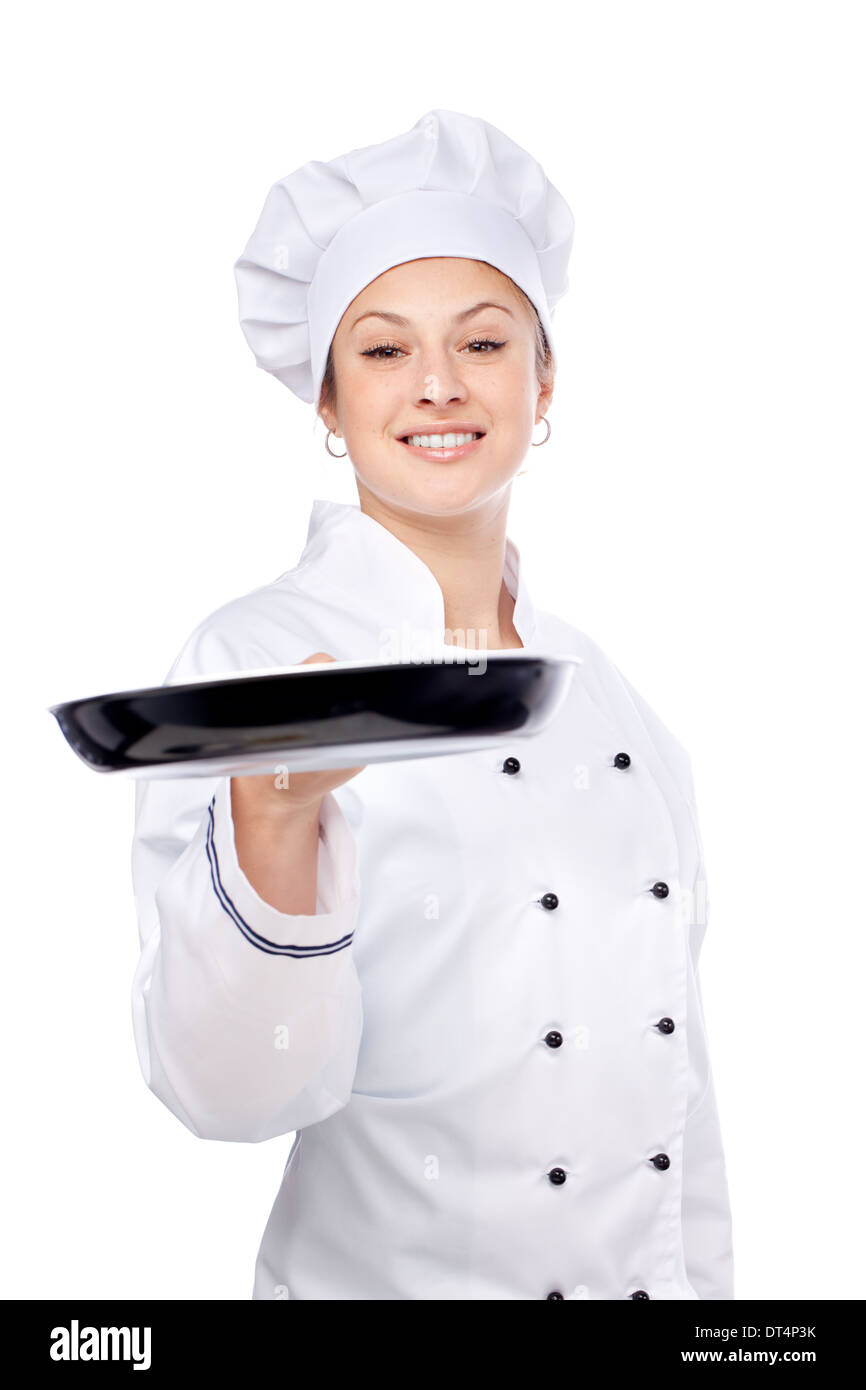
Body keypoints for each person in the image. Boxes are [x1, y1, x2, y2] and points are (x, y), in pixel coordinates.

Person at [130, 109, 734, 1301]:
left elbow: (679, 1114)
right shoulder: (252, 662)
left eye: (484, 342)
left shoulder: (608, 695)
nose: (440, 387)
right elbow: (230, 1097)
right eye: (383, 350)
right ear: (324, 399)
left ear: (542, 375)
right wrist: (269, 828)